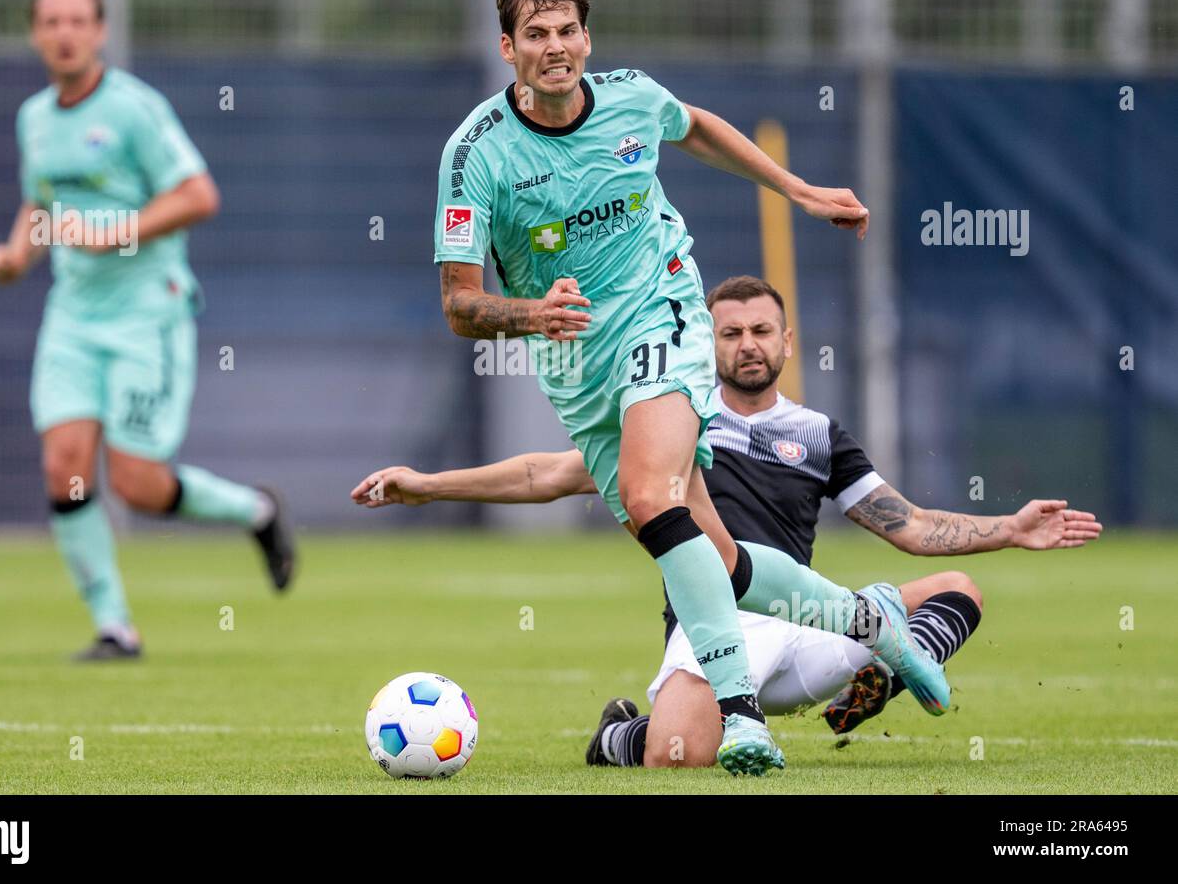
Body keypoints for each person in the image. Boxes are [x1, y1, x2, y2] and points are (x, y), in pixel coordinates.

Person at [430, 0, 946, 775]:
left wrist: (796, 189)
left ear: (587, 40)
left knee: (649, 495)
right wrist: (531, 313)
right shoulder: (475, 156)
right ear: (508, 49)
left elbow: (694, 125)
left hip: (663, 310)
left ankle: (743, 718)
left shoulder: (631, 95)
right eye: (536, 35)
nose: (555, 48)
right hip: (576, 365)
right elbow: (461, 304)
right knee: (714, 551)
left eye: (568, 32)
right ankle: (869, 624)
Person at [353, 274, 1102, 767]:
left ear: (786, 341)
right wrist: (427, 486)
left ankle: (869, 678)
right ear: (707, 342)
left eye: (761, 330)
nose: (748, 343)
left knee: (958, 588)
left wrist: (1009, 526)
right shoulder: (672, 419)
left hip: (812, 622)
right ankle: (624, 731)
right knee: (676, 761)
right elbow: (543, 474)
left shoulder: (818, 434)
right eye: (731, 331)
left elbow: (903, 525)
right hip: (717, 633)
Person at [0, 0, 296, 661]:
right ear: (36, 34)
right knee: (63, 464)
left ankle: (257, 512)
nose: (64, 32)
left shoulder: (133, 110)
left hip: (147, 314)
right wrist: (13, 258)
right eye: (51, 21)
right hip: (72, 317)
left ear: (99, 31)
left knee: (138, 484)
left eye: (78, 21)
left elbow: (198, 195)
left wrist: (116, 229)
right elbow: (41, 206)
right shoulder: (33, 117)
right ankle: (115, 627)